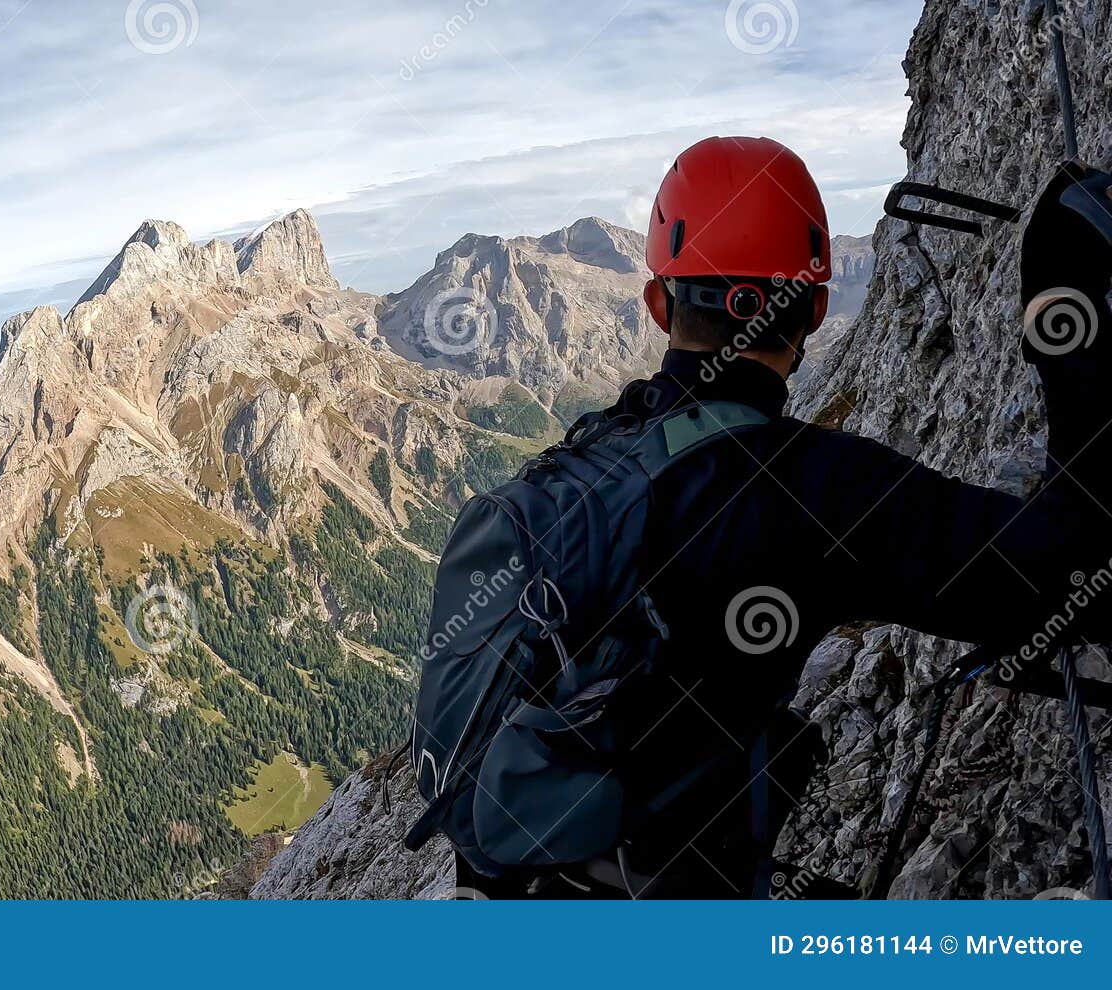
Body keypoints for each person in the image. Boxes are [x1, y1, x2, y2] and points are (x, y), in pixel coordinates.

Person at [449, 136, 1112, 899]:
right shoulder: (813, 491)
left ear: (660, 305)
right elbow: (1071, 570)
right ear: (818, 309)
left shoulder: (590, 456)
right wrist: (1069, 304)